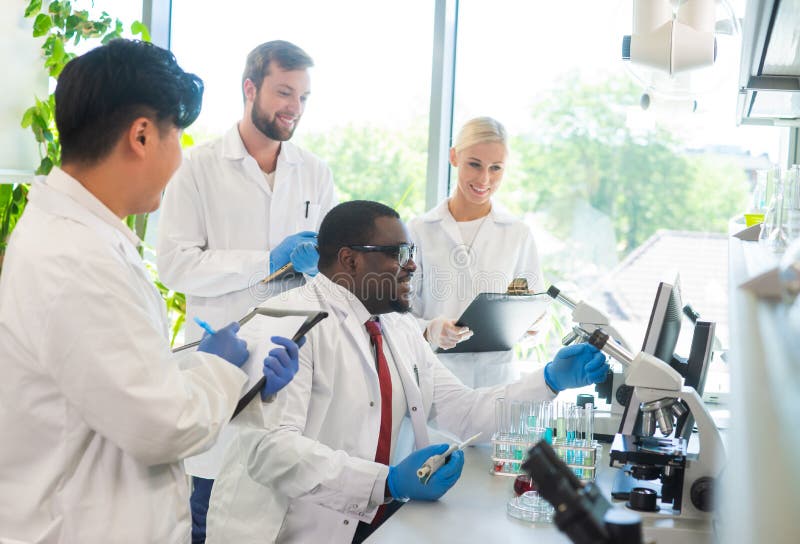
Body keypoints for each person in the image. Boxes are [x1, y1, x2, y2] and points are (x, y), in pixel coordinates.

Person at [0, 39, 302, 543]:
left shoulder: (82, 236)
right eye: (175, 135)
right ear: (141, 136)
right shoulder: (76, 259)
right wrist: (222, 367)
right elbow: (164, 425)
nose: (179, 156)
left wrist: (241, 376)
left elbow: (120, 378)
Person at [205, 200, 608, 543]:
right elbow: (272, 452)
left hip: (370, 525)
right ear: (350, 259)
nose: (413, 265)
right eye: (398, 253)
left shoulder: (396, 327)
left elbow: (465, 413)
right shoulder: (289, 322)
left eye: (411, 252)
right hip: (287, 533)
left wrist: (548, 381)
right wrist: (387, 483)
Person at [156, 39, 336, 541]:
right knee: (210, 515)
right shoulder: (197, 168)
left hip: (289, 373)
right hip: (221, 370)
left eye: (303, 97)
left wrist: (318, 267)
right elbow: (174, 264)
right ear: (249, 88)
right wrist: (266, 262)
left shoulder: (315, 173)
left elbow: (330, 275)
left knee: (278, 515)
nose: (293, 108)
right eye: (283, 92)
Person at [409, 116, 545, 388]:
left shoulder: (517, 233)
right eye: (474, 164)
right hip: (437, 377)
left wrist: (531, 323)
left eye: (496, 168)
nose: (485, 179)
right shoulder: (419, 230)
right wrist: (431, 330)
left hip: (497, 380)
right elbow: (398, 316)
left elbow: (537, 316)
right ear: (454, 157)